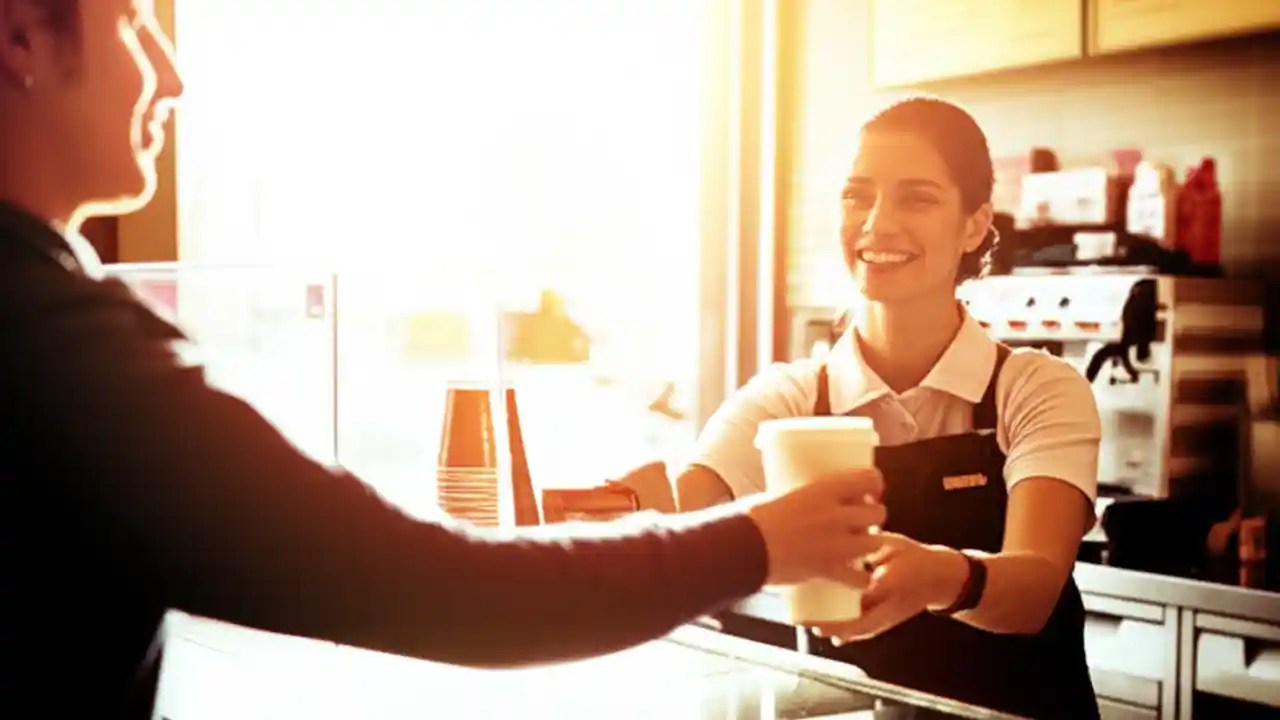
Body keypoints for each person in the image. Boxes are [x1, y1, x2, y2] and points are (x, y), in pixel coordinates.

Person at [0, 2, 888, 717]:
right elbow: (444, 587)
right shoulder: (57, 342)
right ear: (23, 34)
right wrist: (758, 544)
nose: (172, 73)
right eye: (135, 23)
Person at [677, 96, 1103, 719]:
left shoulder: (1034, 388)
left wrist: (937, 576)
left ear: (974, 225)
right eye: (858, 195)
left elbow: (1033, 589)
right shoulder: (791, 398)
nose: (877, 222)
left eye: (918, 197)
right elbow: (682, 516)